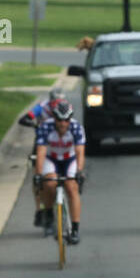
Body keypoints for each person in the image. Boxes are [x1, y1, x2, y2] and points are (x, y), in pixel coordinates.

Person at [35, 98, 86, 244]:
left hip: (69, 159)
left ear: (70, 119)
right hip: (52, 159)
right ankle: (49, 213)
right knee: (49, 183)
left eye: (66, 120)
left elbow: (80, 152)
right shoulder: (45, 127)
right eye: (59, 120)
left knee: (71, 187)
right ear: (54, 118)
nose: (63, 123)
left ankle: (75, 229)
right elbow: (41, 153)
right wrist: (39, 175)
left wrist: (79, 171)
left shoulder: (76, 128)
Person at [21, 87, 68, 227]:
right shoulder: (42, 107)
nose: (57, 104)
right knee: (38, 176)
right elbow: (24, 119)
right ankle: (39, 210)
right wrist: (35, 124)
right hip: (42, 143)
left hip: (59, 144)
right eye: (54, 102)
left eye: (60, 101)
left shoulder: (66, 108)